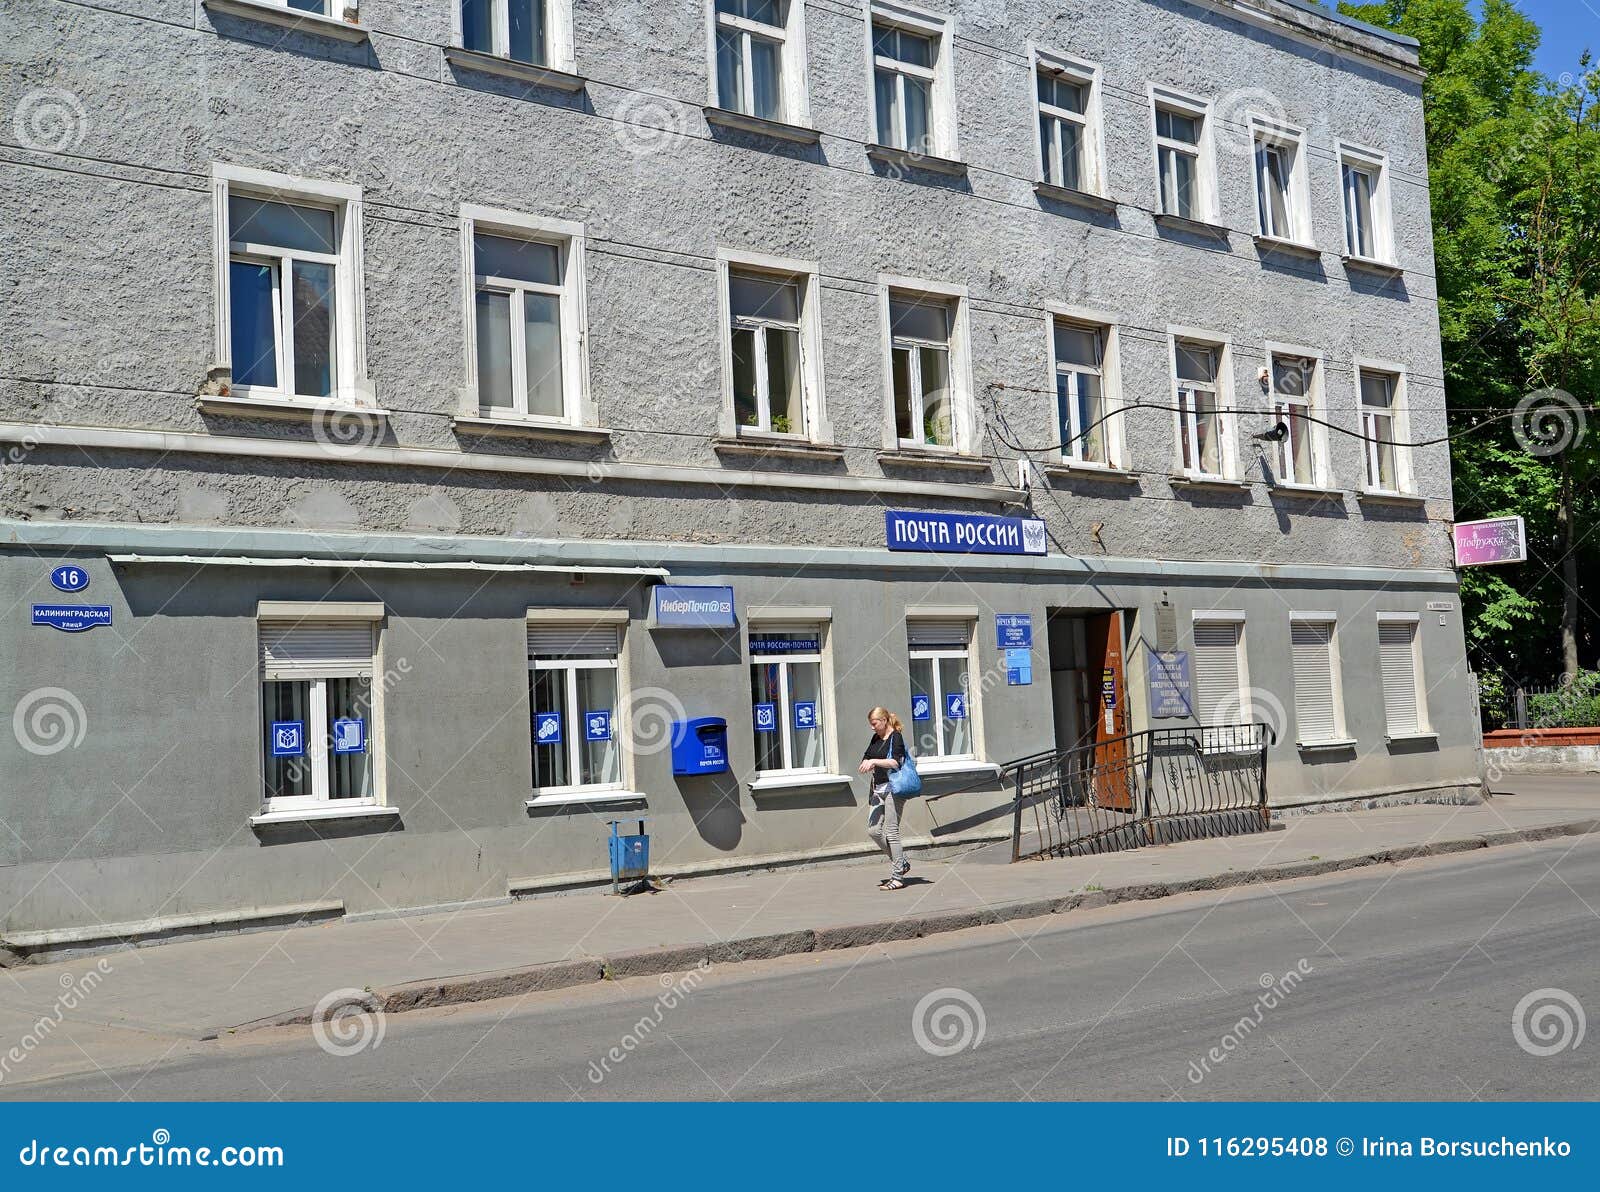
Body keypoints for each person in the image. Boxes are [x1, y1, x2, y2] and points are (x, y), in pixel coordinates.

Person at [859, 706, 911, 890]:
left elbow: (896, 762)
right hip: (878, 789)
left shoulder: (895, 737)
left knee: (892, 832)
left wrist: (874, 761)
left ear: (884, 720)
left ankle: (897, 877)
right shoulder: (876, 738)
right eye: (871, 725)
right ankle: (901, 862)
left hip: (893, 789)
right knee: (873, 831)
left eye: (874, 724)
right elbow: (867, 755)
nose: (872, 728)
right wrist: (866, 762)